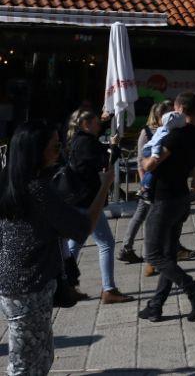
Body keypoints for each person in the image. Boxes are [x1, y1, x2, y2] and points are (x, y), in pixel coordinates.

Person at [0, 122, 115, 376]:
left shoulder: (13, 182)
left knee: (40, 355)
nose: (60, 150)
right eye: (54, 146)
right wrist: (105, 185)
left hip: (20, 284)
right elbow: (81, 226)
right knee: (25, 362)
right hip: (28, 287)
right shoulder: (36, 189)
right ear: (36, 151)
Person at [137, 92, 195, 323]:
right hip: (181, 198)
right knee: (168, 255)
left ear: (179, 108)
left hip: (165, 199)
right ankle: (156, 305)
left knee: (153, 254)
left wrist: (142, 160)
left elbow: (151, 164)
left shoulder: (176, 135)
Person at [63, 109, 133, 304]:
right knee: (106, 244)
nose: (99, 125)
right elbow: (106, 164)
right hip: (88, 202)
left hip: (79, 200)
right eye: (96, 122)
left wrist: (108, 121)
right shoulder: (86, 142)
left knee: (74, 244)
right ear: (86, 124)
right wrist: (114, 146)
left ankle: (66, 285)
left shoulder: (77, 139)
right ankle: (108, 289)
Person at [118, 101, 166, 266]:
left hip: (161, 181)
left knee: (146, 216)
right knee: (143, 216)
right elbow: (140, 160)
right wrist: (143, 182)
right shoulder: (146, 133)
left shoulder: (167, 131)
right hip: (149, 182)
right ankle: (132, 249)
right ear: (158, 116)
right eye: (166, 114)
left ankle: (129, 248)